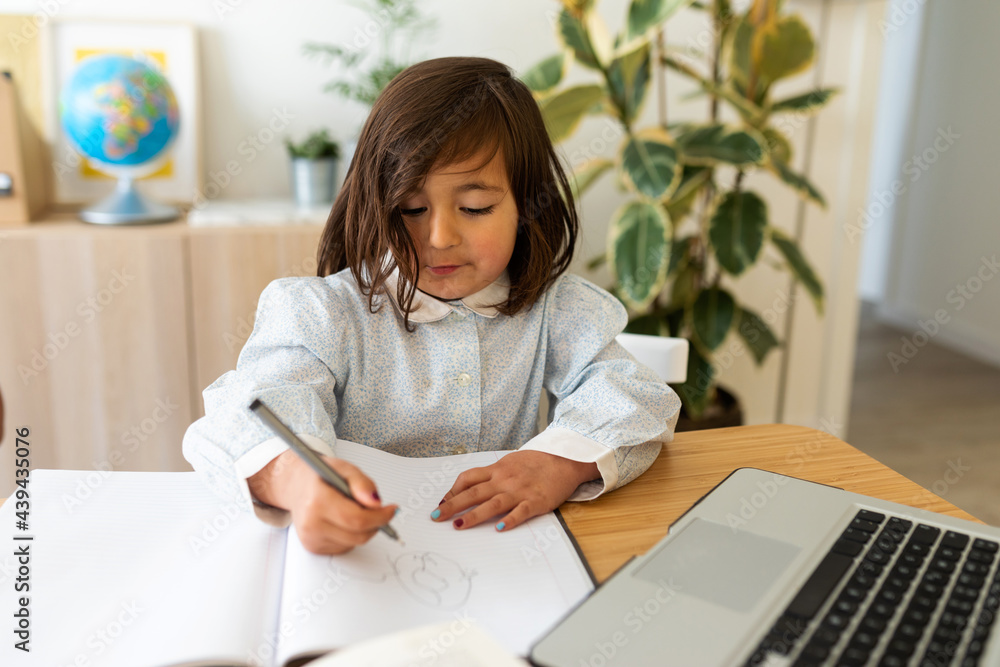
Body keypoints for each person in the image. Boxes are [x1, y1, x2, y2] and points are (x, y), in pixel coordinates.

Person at [182, 56, 680, 555]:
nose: (440, 237)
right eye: (411, 209)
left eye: (475, 208)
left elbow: (634, 397)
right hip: (368, 560)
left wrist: (559, 463)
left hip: (508, 559)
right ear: (375, 202)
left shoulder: (558, 309)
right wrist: (299, 483)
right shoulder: (321, 313)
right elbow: (250, 409)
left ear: (526, 205)